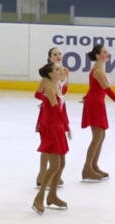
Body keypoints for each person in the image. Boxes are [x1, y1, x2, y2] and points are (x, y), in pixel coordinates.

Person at [81, 44, 115, 181]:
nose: (107, 54)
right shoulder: (98, 71)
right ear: (98, 55)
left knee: (101, 135)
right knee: (97, 136)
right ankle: (87, 169)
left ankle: (94, 166)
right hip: (95, 104)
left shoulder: (99, 69)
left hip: (97, 103)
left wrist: (87, 95)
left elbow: (93, 87)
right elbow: (107, 89)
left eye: (107, 52)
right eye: (104, 52)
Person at [33, 62, 71, 214]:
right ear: (50, 74)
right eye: (57, 69)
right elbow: (55, 109)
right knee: (55, 165)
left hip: (58, 126)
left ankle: (52, 195)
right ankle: (39, 197)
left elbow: (61, 108)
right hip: (51, 127)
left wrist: (66, 125)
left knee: (61, 163)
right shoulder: (49, 87)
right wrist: (66, 125)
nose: (60, 70)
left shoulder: (57, 85)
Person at [35, 47, 70, 188]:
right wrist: (47, 100)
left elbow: (64, 91)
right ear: (50, 58)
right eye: (55, 54)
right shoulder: (48, 75)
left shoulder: (64, 72)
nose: (58, 56)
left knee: (56, 146)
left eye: (60, 54)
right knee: (47, 145)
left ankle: (55, 176)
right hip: (48, 113)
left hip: (60, 109)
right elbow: (37, 94)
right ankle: (42, 175)